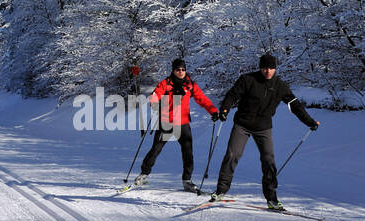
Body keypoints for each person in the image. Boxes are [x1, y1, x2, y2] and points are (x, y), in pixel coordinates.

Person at [210, 53, 319, 210]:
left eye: (271, 68)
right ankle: (220, 191)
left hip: (263, 127)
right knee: (232, 155)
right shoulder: (247, 80)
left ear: (275, 68)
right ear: (260, 68)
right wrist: (225, 110)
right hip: (242, 124)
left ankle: (272, 199)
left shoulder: (280, 86)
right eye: (265, 68)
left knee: (268, 160)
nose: (268, 71)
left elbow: (295, 106)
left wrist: (310, 122)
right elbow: (232, 95)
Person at [133, 59, 219, 192]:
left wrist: (213, 111)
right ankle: (143, 174)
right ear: (173, 70)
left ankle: (187, 180)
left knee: (188, 152)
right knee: (156, 149)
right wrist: (155, 103)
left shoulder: (190, 85)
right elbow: (155, 95)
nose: (181, 72)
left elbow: (202, 98)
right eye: (178, 69)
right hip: (166, 122)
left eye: (183, 70)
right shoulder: (166, 83)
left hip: (182, 123)